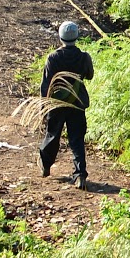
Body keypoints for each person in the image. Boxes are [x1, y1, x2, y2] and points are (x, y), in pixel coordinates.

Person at [37, 21, 94, 190]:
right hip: (77, 103)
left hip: (56, 103)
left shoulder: (53, 58)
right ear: (76, 37)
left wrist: (43, 108)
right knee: (76, 139)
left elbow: (45, 85)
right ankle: (80, 175)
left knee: (52, 134)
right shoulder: (84, 57)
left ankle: (45, 165)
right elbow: (89, 75)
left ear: (60, 37)